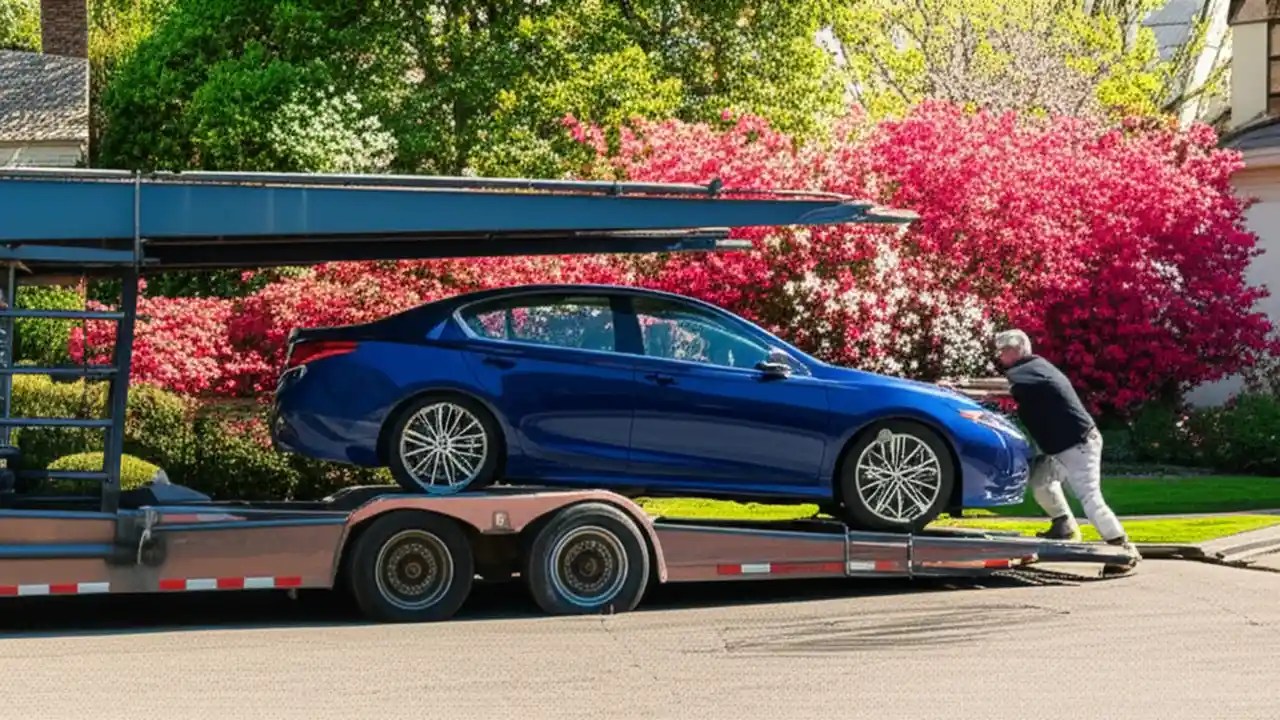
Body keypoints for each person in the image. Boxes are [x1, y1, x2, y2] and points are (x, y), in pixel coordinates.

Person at [992, 329, 1140, 572]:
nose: (1000, 356)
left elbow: (1001, 386)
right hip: (1061, 446)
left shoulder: (1028, 370)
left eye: (1004, 350)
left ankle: (1122, 547)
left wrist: (963, 388)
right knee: (1041, 482)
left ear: (1016, 350)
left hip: (1078, 444)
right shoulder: (1034, 369)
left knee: (1090, 498)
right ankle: (1064, 526)